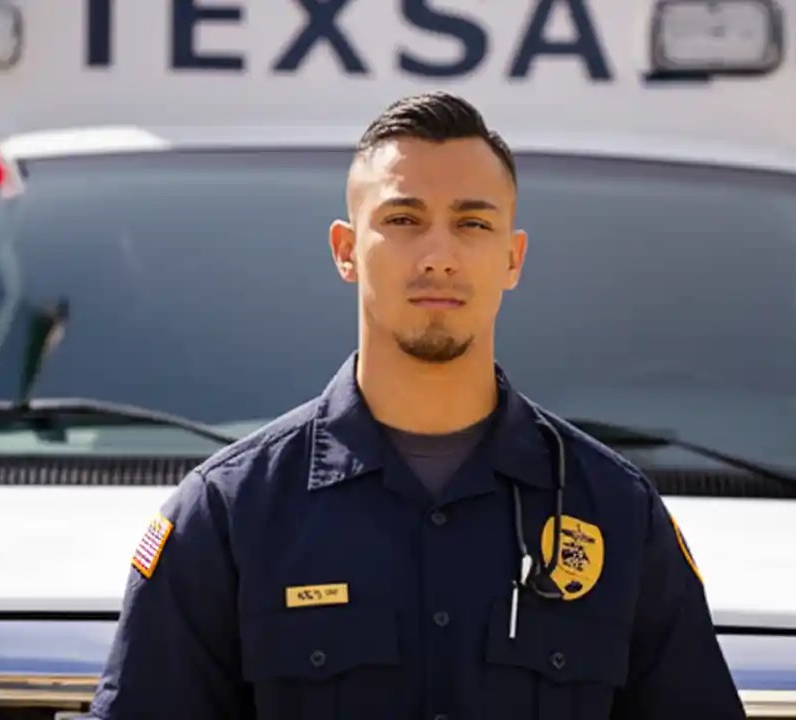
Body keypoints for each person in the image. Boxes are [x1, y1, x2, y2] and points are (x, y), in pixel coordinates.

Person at [86, 91, 748, 720]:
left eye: (472, 223)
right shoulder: (228, 516)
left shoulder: (617, 514)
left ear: (512, 258)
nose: (439, 255)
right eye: (403, 220)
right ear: (346, 251)